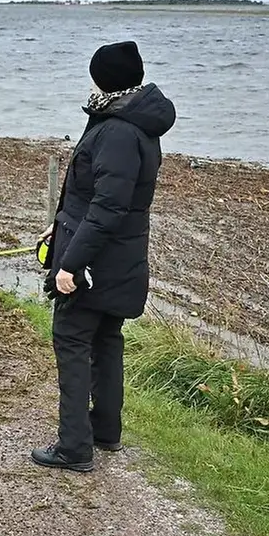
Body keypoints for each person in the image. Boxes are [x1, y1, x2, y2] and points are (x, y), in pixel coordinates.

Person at [31, 40, 177, 472]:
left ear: (103, 77)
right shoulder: (126, 119)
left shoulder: (116, 129)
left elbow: (108, 206)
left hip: (97, 260)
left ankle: (75, 447)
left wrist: (70, 265)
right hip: (116, 255)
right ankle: (105, 431)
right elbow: (91, 193)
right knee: (107, 340)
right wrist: (59, 225)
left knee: (74, 341)